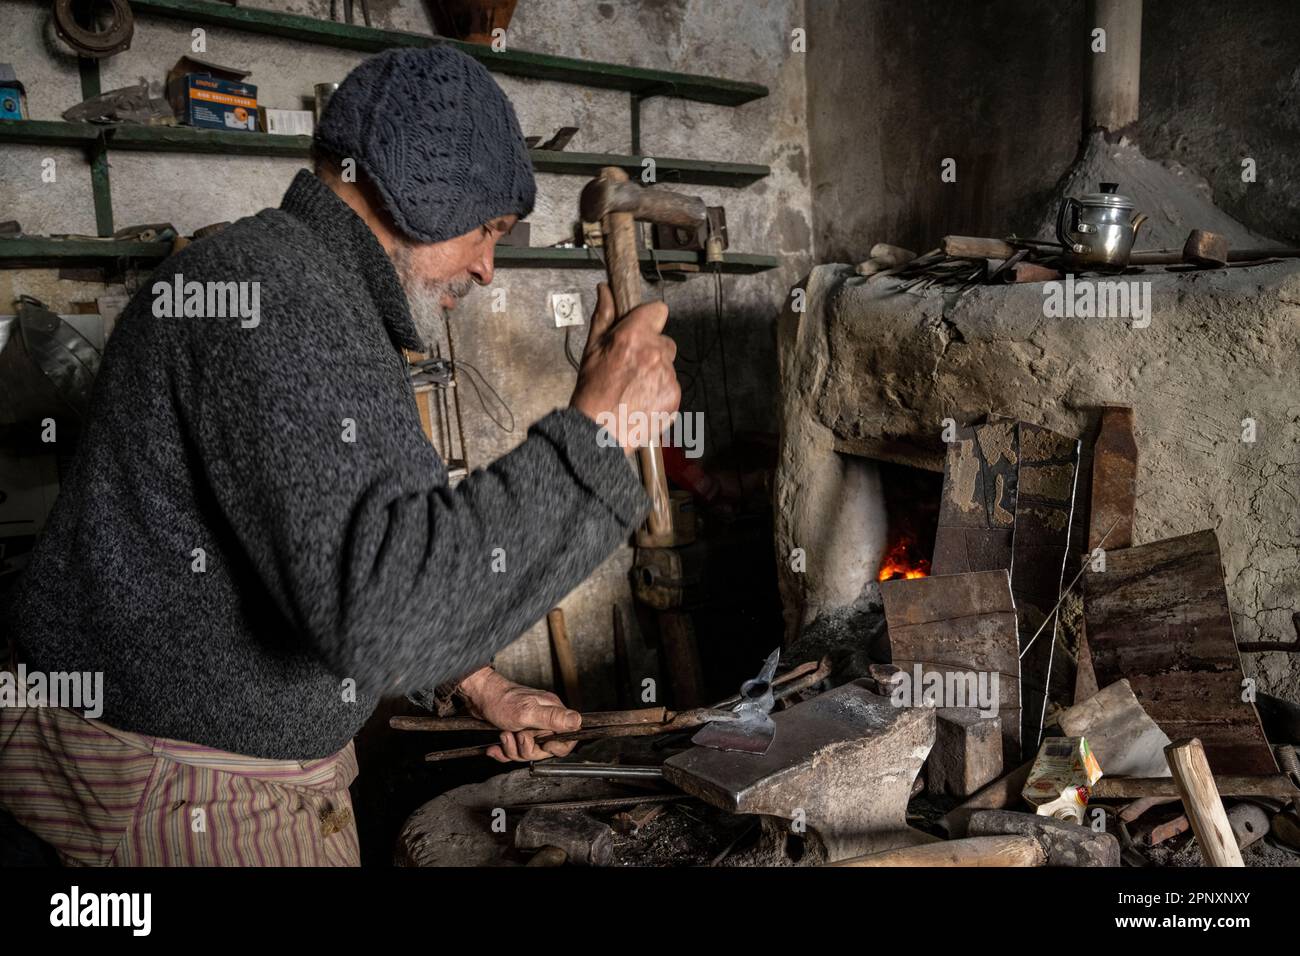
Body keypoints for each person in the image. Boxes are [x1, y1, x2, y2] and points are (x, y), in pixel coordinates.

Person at [0, 45, 679, 866]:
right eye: (487, 228)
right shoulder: (277, 296)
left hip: (207, 771)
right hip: (178, 795)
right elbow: (383, 612)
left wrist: (478, 681)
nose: (486, 266)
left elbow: (362, 540)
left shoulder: (308, 287)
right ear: (420, 186)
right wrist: (599, 433)